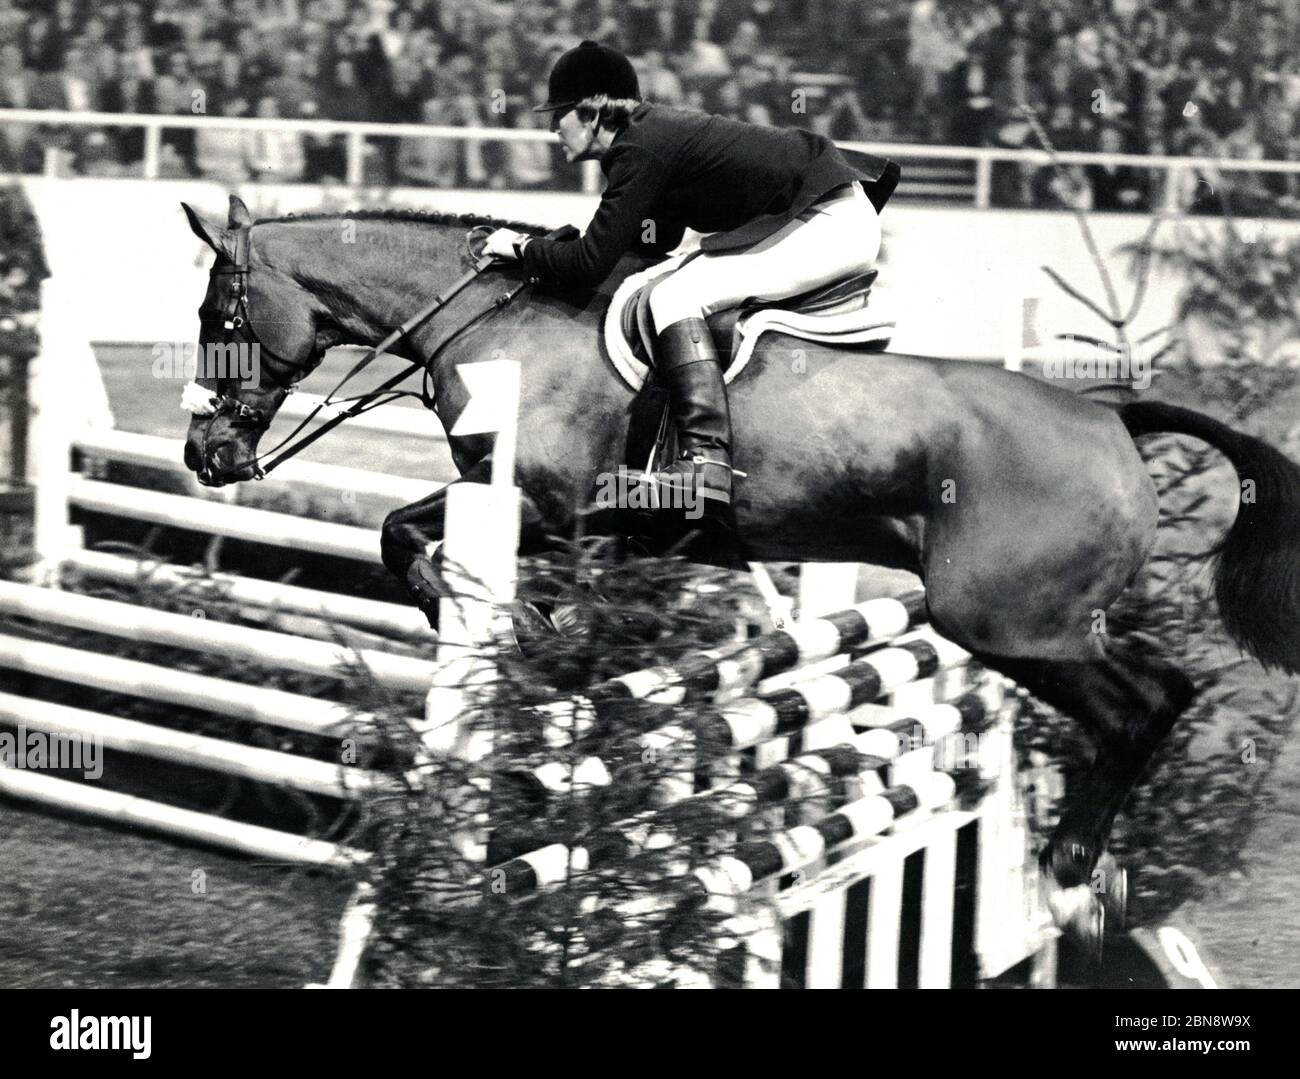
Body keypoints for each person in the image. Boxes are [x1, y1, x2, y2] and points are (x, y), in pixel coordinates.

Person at [481, 40, 894, 515]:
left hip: (829, 222)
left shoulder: (639, 148)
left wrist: (520, 247)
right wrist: (563, 251)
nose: (553, 126)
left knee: (675, 297)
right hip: (828, 214)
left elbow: (590, 263)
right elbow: (652, 243)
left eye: (560, 113)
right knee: (669, 280)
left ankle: (706, 462)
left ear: (593, 112)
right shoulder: (648, 137)